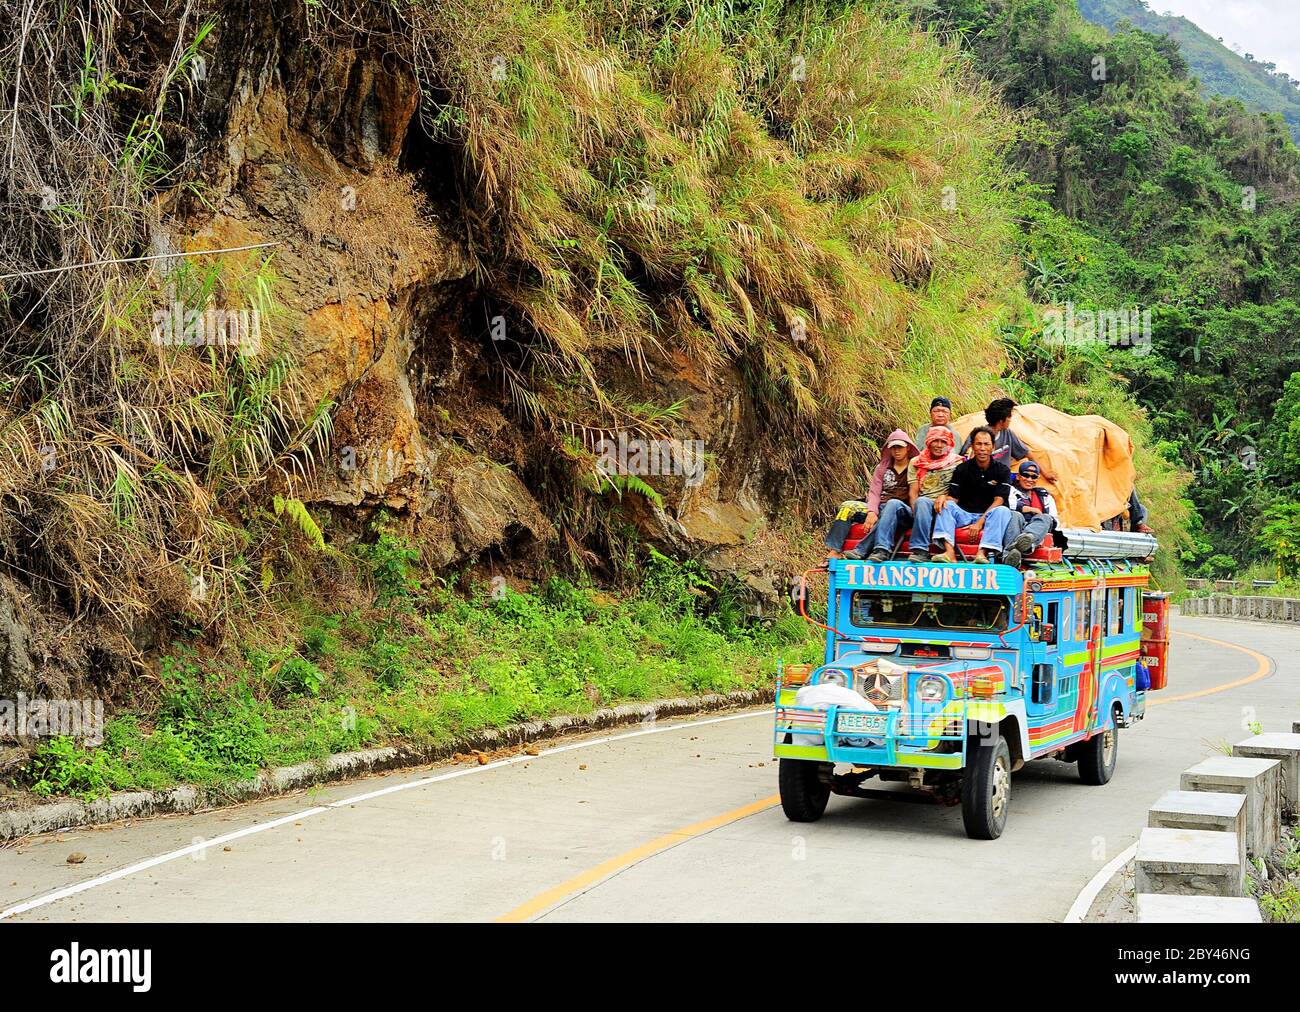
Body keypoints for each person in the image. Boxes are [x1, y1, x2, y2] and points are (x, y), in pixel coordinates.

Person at [916, 426, 1013, 564]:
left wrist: (980, 522)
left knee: (1003, 510)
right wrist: (943, 497)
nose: (982, 448)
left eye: (986, 444)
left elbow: (999, 500)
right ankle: (949, 553)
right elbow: (953, 498)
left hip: (988, 516)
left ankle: (982, 554)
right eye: (978, 444)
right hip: (964, 514)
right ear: (972, 446)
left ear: (993, 447)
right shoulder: (962, 469)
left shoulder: (1002, 470)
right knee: (946, 505)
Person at [843, 430, 919, 560]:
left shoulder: (916, 466)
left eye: (900, 447)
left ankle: (875, 549)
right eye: (893, 447)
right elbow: (874, 492)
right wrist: (872, 512)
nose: (897, 451)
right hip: (884, 510)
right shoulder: (882, 468)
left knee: (893, 504)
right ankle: (837, 550)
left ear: (908, 447)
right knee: (848, 509)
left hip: (905, 512)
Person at [896, 425, 965, 563]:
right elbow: (913, 492)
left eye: (943, 442)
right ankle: (920, 551)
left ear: (949, 443)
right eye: (935, 441)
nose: (939, 445)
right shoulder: (916, 462)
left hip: (945, 508)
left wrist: (944, 497)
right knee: (919, 502)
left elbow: (958, 492)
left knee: (925, 502)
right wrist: (917, 514)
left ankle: (922, 548)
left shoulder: (957, 462)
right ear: (928, 442)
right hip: (921, 508)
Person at [1001, 460, 1059, 568]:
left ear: (1037, 479)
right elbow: (1009, 505)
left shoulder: (1045, 495)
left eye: (1033, 477)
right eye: (1026, 475)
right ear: (1018, 476)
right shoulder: (1010, 490)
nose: (1029, 479)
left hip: (1037, 531)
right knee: (1014, 515)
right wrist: (1028, 509)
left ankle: (1026, 541)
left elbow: (1054, 520)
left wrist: (1038, 516)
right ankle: (1011, 555)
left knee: (1046, 518)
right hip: (1016, 526)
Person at [960, 397, 1030, 467]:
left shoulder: (1007, 433)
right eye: (1009, 417)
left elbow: (1027, 453)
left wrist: (1040, 470)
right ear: (1001, 421)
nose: (1010, 420)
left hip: (1004, 476)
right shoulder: (977, 435)